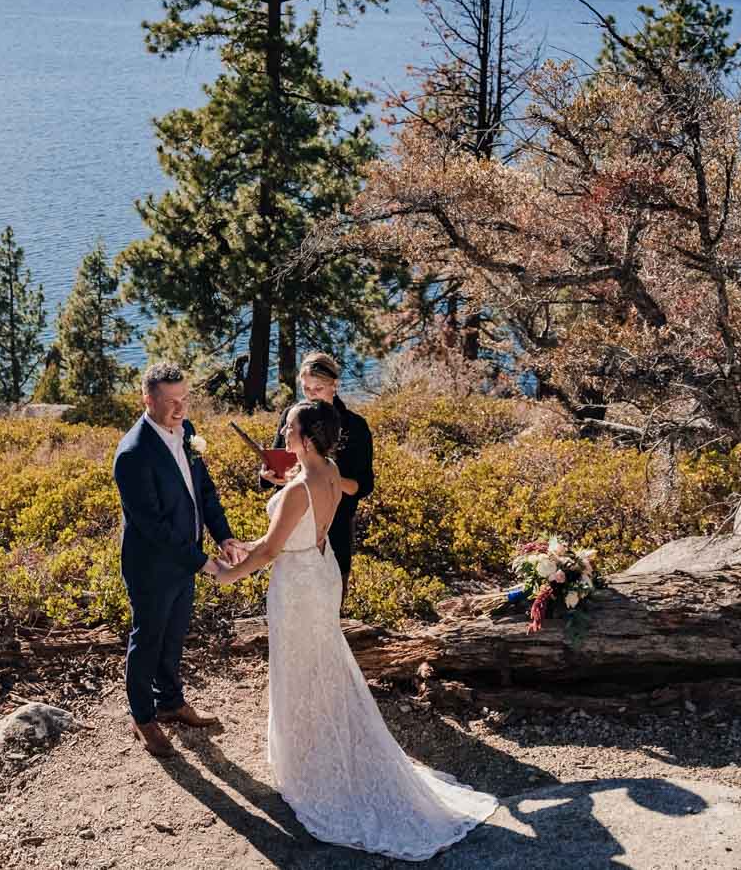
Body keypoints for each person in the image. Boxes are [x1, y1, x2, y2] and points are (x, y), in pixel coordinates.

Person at [213, 399, 497, 860]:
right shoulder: (329, 471)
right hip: (320, 569)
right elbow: (291, 535)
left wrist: (227, 574)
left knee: (300, 667)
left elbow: (270, 552)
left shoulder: (297, 489)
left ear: (307, 439)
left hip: (298, 586)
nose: (283, 433)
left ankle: (309, 762)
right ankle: (317, 746)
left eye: (289, 428)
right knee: (321, 664)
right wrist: (251, 543)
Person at [111, 361, 248, 759]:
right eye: (171, 401)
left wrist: (223, 535)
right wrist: (203, 562)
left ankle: (170, 702)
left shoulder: (187, 431)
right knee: (148, 640)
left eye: (185, 399)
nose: (180, 408)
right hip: (151, 566)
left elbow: (204, 490)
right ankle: (143, 717)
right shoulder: (133, 453)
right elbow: (154, 528)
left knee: (174, 635)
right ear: (147, 400)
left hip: (184, 559)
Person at [259, 351, 373, 601]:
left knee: (330, 604)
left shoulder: (355, 426)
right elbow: (279, 462)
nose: (311, 395)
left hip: (335, 527)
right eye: (306, 389)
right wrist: (271, 475)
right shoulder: (291, 416)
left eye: (318, 388)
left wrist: (324, 478)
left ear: (335, 385)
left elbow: (363, 486)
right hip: (292, 526)